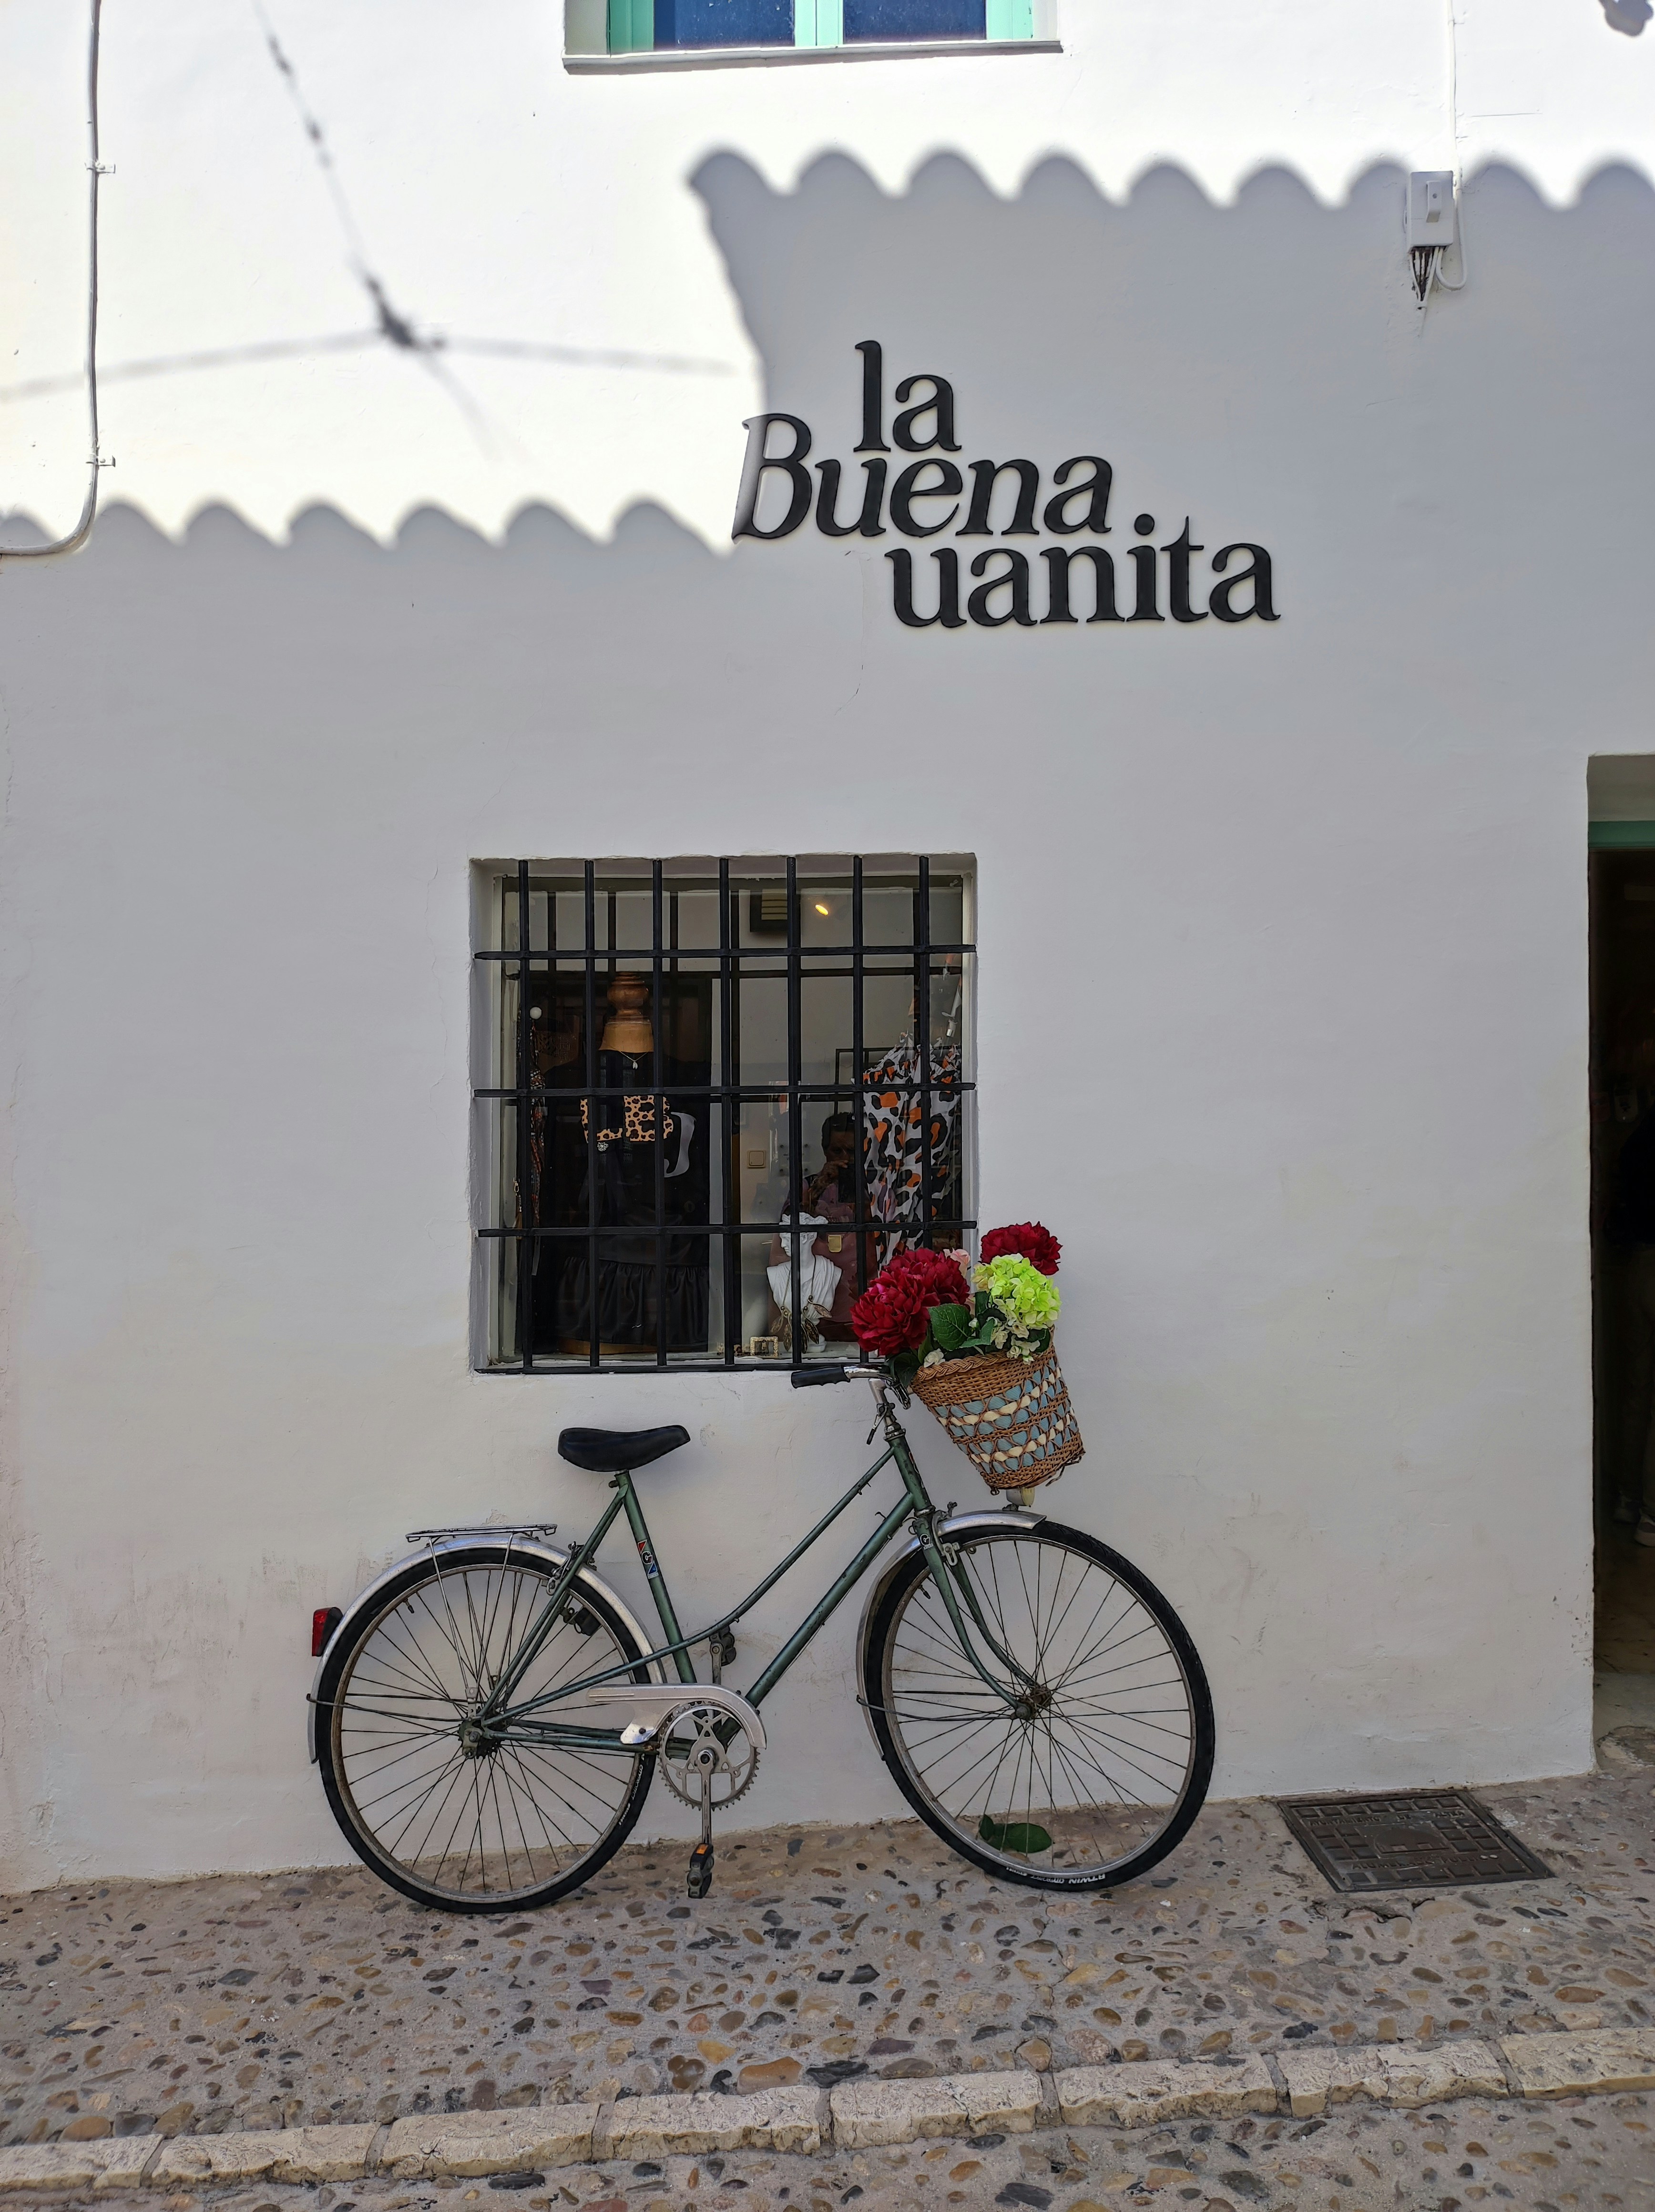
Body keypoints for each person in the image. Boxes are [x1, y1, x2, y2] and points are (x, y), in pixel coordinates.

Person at [1606, 1102, 1655, 1545]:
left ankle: (1628, 1499)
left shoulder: (1637, 1138)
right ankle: (1653, 1518)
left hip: (1637, 1263)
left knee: (1638, 1387)